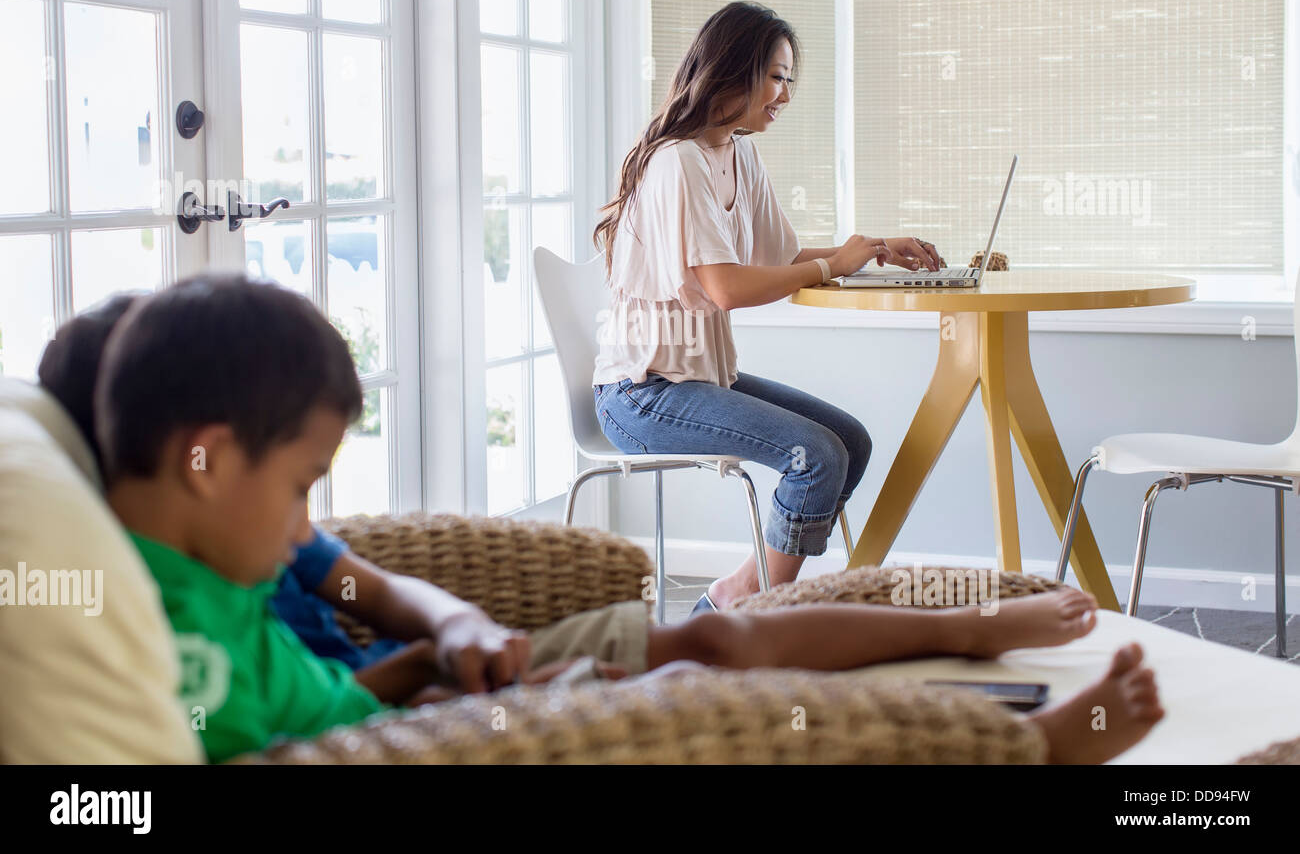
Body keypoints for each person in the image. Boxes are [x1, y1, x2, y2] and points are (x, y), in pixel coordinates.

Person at [77, 275, 1161, 763]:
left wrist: (447, 635)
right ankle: (1018, 750)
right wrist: (436, 684)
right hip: (419, 729)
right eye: (305, 480)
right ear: (202, 459)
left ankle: (964, 632)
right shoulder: (164, 638)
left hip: (431, 681)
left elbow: (363, 584)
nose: (311, 517)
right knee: (700, 701)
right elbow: (312, 734)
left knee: (718, 638)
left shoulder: (244, 537)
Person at [592, 1, 947, 611]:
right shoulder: (679, 162)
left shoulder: (738, 153)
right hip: (642, 395)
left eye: (789, 80)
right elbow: (728, 286)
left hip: (696, 379)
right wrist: (833, 265)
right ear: (733, 71)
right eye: (776, 77)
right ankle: (757, 612)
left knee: (849, 442)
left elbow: (780, 256)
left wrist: (876, 247)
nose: (784, 94)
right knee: (816, 456)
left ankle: (736, 594)